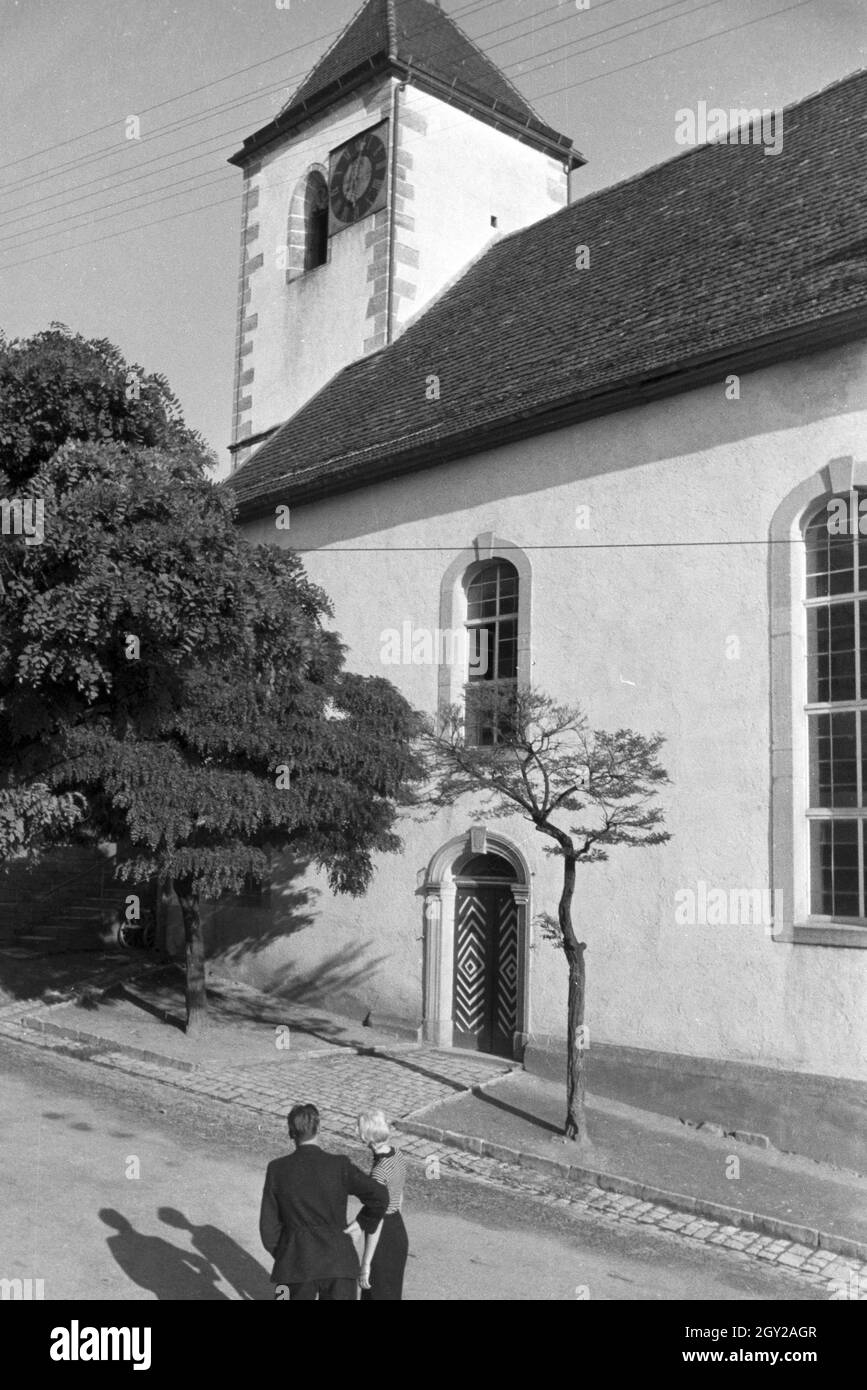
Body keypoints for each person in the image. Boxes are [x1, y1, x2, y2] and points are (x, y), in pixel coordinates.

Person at [259, 1102, 388, 1301]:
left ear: (291, 1133)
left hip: (294, 1264)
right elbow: (380, 1197)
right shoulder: (339, 1165)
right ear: (319, 1129)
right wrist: (361, 1223)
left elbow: (268, 1229)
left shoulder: (277, 1170)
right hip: (339, 1262)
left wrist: (286, 1254)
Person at [355, 1109, 409, 1301]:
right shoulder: (398, 1154)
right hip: (398, 1229)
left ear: (366, 1137)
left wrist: (366, 1263)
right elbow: (399, 1195)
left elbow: (375, 1222)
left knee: (375, 1292)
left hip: (383, 1237)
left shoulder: (379, 1172)